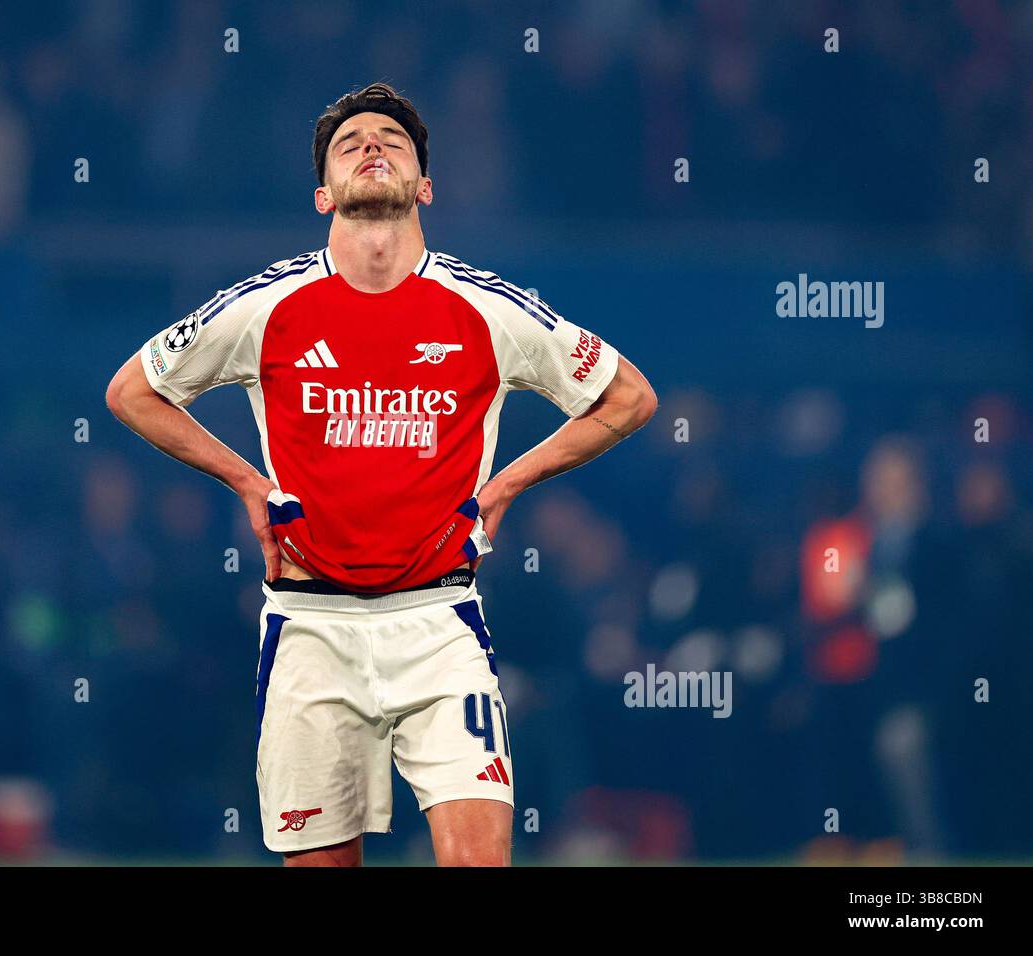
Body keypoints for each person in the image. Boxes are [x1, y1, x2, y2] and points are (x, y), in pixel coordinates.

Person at [106, 82, 657, 866]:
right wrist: (245, 482)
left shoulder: (486, 307)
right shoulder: (267, 306)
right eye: (351, 141)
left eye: (392, 140)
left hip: (439, 626)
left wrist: (505, 484)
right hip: (310, 627)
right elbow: (133, 390)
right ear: (324, 193)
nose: (373, 145)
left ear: (424, 186)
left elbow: (628, 397)